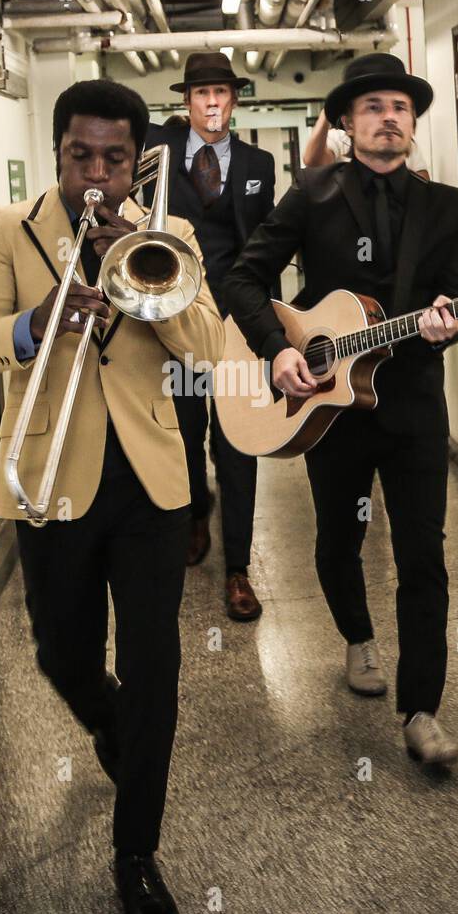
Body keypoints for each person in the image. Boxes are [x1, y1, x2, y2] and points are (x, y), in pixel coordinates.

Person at [0, 79, 224, 914]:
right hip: (50, 476)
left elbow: (211, 348)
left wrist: (147, 272)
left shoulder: (167, 233)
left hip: (147, 487)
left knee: (156, 670)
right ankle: (110, 726)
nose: (95, 176)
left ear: (133, 158)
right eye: (80, 157)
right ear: (57, 149)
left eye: (113, 158)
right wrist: (36, 322)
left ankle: (135, 854)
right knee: (62, 655)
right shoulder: (5, 229)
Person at [223, 54, 458, 766]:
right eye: (371, 107)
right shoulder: (311, 195)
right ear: (345, 124)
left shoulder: (445, 206)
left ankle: (421, 708)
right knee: (338, 540)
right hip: (328, 407)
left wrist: (450, 319)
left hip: (415, 405)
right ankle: (357, 640)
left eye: (398, 106)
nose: (387, 117)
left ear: (413, 121)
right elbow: (245, 275)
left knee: (423, 555)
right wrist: (276, 347)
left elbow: (457, 292)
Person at [146, 51, 276, 622]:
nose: (213, 104)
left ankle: (238, 569)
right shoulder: (161, 155)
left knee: (238, 443)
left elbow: (266, 249)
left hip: (238, 326)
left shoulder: (259, 162)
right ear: (187, 103)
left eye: (221, 93)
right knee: (187, 431)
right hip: (179, 323)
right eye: (202, 95)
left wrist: (268, 328)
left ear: (234, 100)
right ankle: (197, 513)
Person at [303, 108, 431, 180]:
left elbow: (422, 183)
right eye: (373, 109)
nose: (387, 118)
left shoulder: (403, 144)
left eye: (398, 108)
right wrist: (327, 112)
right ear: (349, 122)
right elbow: (313, 161)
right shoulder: (338, 138)